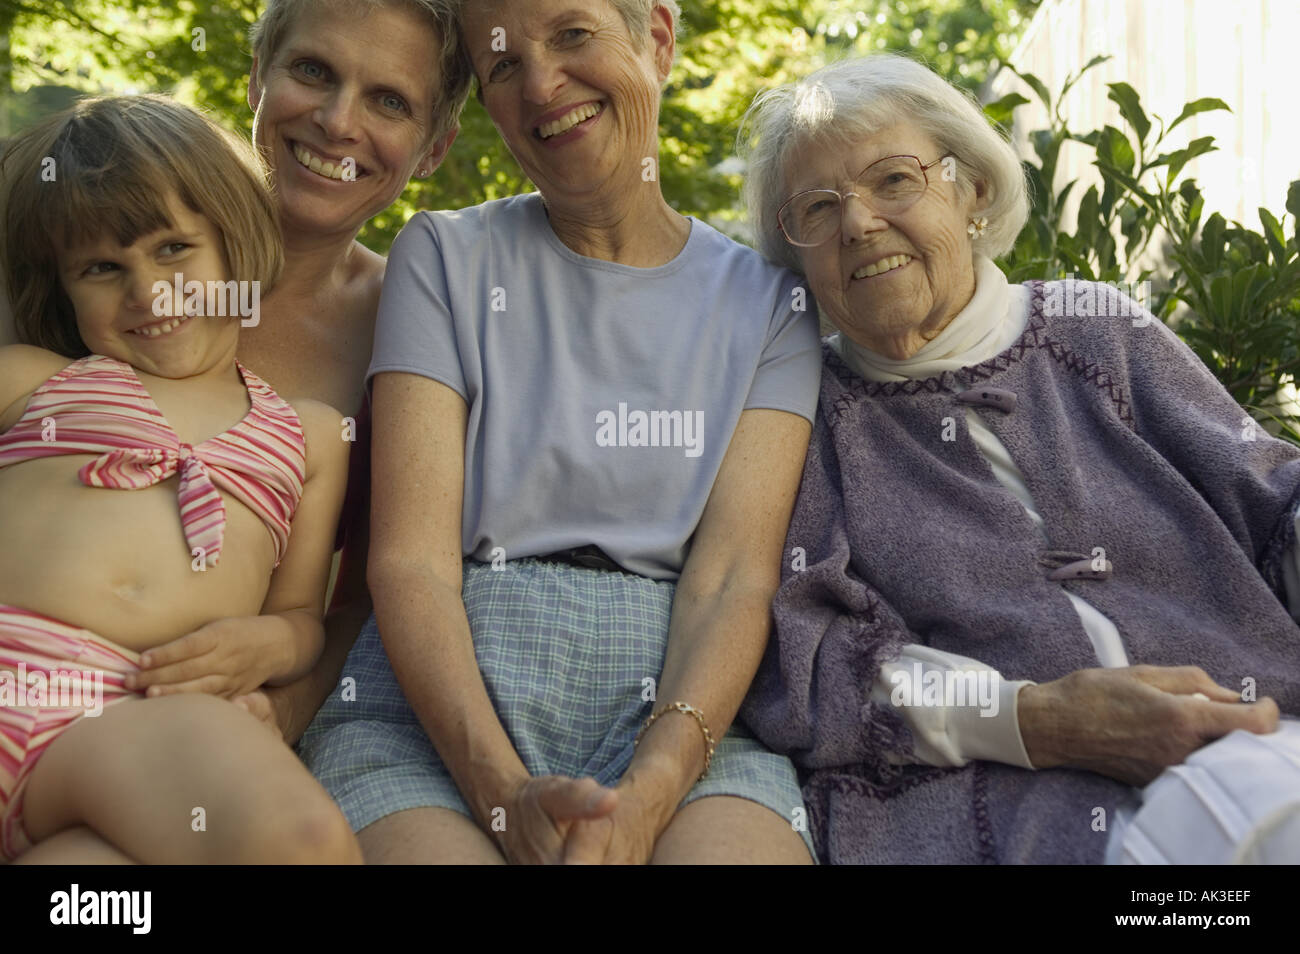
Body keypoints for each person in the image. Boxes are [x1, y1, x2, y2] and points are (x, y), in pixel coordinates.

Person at [737, 53, 1300, 864]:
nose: (857, 223)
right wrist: (1032, 717)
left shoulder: (1095, 330)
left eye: (894, 180)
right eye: (817, 209)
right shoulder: (805, 416)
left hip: (1258, 738)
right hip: (999, 808)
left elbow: (1273, 499)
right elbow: (803, 659)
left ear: (973, 191)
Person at [297, 0, 823, 864]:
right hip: (444, 704)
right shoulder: (444, 257)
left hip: (681, 704)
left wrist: (653, 794)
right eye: (503, 65)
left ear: (655, 38)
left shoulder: (771, 305)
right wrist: (500, 796)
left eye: (574, 34)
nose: (543, 83)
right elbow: (411, 563)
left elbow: (732, 580)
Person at [0, 95, 359, 863]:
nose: (147, 292)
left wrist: (267, 644)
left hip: (135, 720)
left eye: (172, 250)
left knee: (298, 844)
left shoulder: (311, 434)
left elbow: (302, 616)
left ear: (233, 242)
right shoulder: (33, 380)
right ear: (62, 289)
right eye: (101, 268)